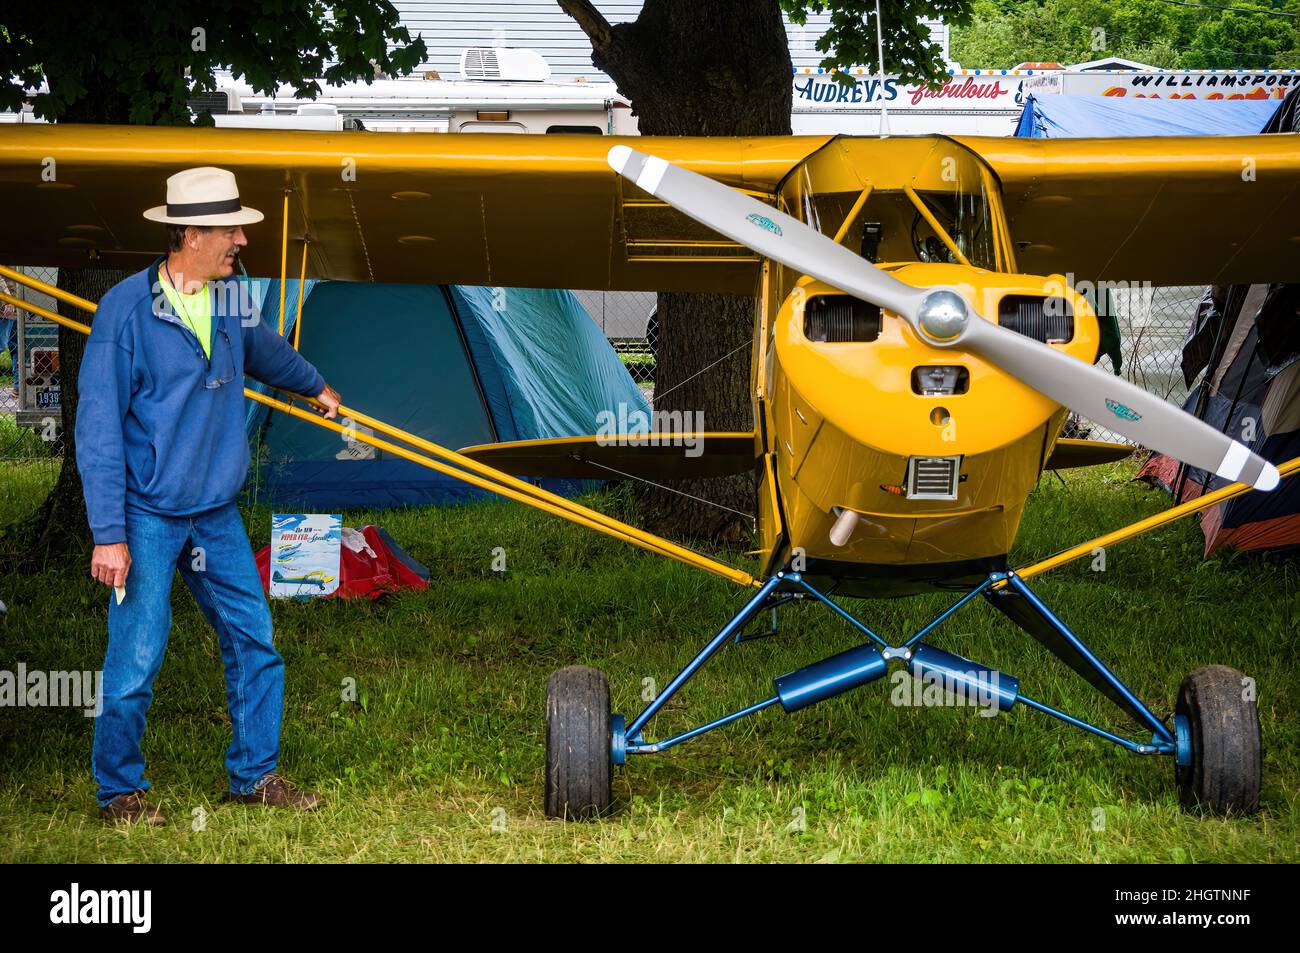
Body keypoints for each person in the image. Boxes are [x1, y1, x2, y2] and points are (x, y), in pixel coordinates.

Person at [77, 167, 341, 826]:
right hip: (147, 513)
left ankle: (253, 776)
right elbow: (99, 430)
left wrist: (315, 387)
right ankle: (119, 793)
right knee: (137, 655)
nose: (241, 242)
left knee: (255, 639)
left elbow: (265, 350)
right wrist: (109, 532)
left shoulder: (230, 300)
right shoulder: (124, 313)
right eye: (229, 230)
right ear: (190, 235)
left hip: (215, 512)